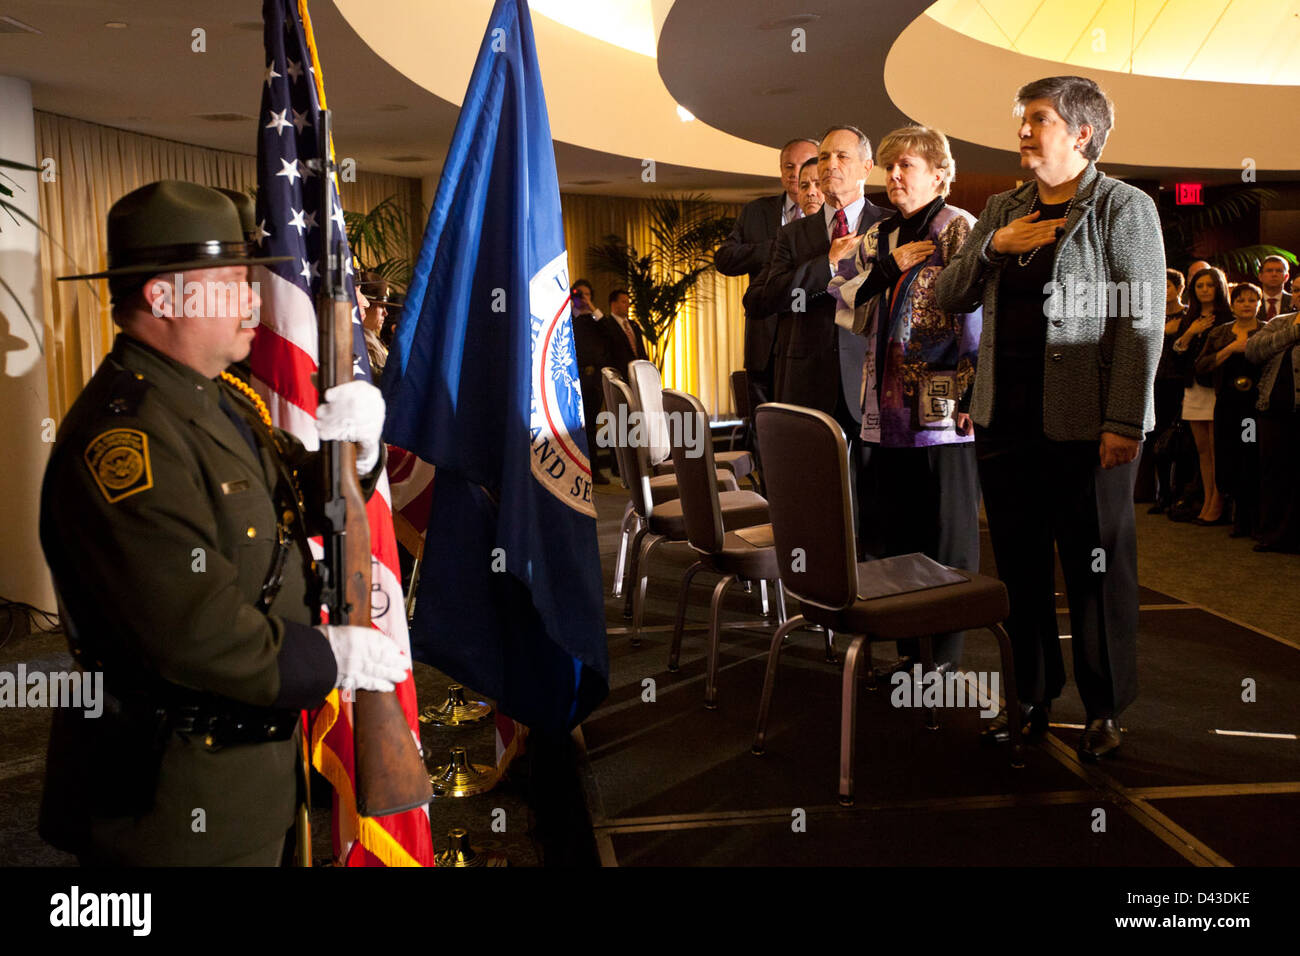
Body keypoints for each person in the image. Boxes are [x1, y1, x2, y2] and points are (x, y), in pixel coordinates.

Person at [40, 180, 408, 865]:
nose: (254, 300)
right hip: (174, 793)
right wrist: (332, 657)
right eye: (234, 282)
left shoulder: (213, 400)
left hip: (248, 759)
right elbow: (191, 630)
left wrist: (357, 453)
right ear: (164, 298)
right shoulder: (127, 441)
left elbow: (291, 491)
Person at [934, 76, 1164, 761]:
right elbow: (950, 293)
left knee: (1096, 570)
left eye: (1037, 119)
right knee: (1022, 569)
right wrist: (993, 247)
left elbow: (1141, 323)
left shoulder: (1123, 208)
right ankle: (1031, 695)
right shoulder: (1002, 207)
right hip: (1005, 422)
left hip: (1089, 428)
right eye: (1022, 120)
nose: (1023, 132)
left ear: (1082, 133)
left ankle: (1104, 707)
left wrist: (1126, 419)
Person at [827, 125, 980, 671]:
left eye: (906, 166)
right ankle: (907, 648)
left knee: (944, 534)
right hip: (881, 409)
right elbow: (842, 294)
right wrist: (886, 269)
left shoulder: (960, 228)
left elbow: (978, 317)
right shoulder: (882, 235)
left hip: (941, 406)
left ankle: (942, 656)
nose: (893, 176)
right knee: (893, 532)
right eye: (888, 167)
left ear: (939, 174)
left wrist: (971, 391)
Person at [746, 126, 888, 549]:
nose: (830, 166)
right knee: (813, 502)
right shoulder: (794, 236)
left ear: (866, 166)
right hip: (806, 384)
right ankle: (820, 598)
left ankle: (876, 594)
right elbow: (763, 300)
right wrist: (825, 264)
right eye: (824, 157)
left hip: (872, 383)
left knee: (876, 502)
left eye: (842, 157)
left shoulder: (891, 226)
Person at [715, 137, 819, 413]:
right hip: (764, 343)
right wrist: (779, 248)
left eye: (805, 165)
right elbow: (724, 259)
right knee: (765, 430)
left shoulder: (833, 218)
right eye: (788, 166)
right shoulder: (756, 212)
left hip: (811, 346)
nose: (796, 174)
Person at [1196, 283, 1264, 537]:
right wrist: (1230, 349)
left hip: (1254, 408)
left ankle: (1251, 519)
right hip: (1226, 403)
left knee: (1251, 456)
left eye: (1251, 300)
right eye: (1241, 300)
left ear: (1259, 303)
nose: (1246, 304)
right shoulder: (1220, 333)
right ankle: (1235, 515)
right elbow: (1201, 366)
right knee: (1228, 457)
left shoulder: (1268, 330)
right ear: (1232, 304)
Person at [1170, 267, 1233, 524]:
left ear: (1218, 288)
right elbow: (1177, 355)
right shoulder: (1190, 317)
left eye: (1209, 285)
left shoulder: (1227, 316)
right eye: (1200, 286)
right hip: (1193, 387)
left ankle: (1217, 504)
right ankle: (1206, 500)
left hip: (1217, 388)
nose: (1205, 290)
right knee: (1202, 450)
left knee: (1218, 450)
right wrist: (1190, 331)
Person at [1245, 298, 1300, 552]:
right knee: (1274, 473)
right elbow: (1253, 351)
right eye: (1297, 290)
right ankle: (1271, 533)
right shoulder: (1278, 323)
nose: (1299, 295)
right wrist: (1295, 331)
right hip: (1273, 411)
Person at [1146, 269, 1191, 513]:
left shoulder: (1188, 315)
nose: (1164, 291)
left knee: (1180, 439)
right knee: (1156, 438)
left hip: (1179, 381)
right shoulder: (1150, 315)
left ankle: (1180, 493)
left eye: (1168, 287)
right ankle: (1161, 493)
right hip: (1153, 382)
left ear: (1179, 289)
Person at [570, 278, 612, 483]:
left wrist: (592, 307)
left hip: (593, 380)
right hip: (574, 379)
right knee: (576, 427)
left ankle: (594, 470)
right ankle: (578, 469)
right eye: (579, 295)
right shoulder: (569, 319)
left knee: (592, 425)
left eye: (587, 294)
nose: (583, 299)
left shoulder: (595, 320)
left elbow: (610, 331)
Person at [357, 270, 394, 378]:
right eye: (381, 306)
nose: (385, 313)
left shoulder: (373, 339)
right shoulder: (358, 340)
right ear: (365, 304)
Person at [1257, 255, 1292, 320]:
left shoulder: (1294, 301)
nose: (1274, 274)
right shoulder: (1253, 301)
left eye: (1279, 271)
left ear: (1286, 277)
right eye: (1269, 271)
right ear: (1260, 276)